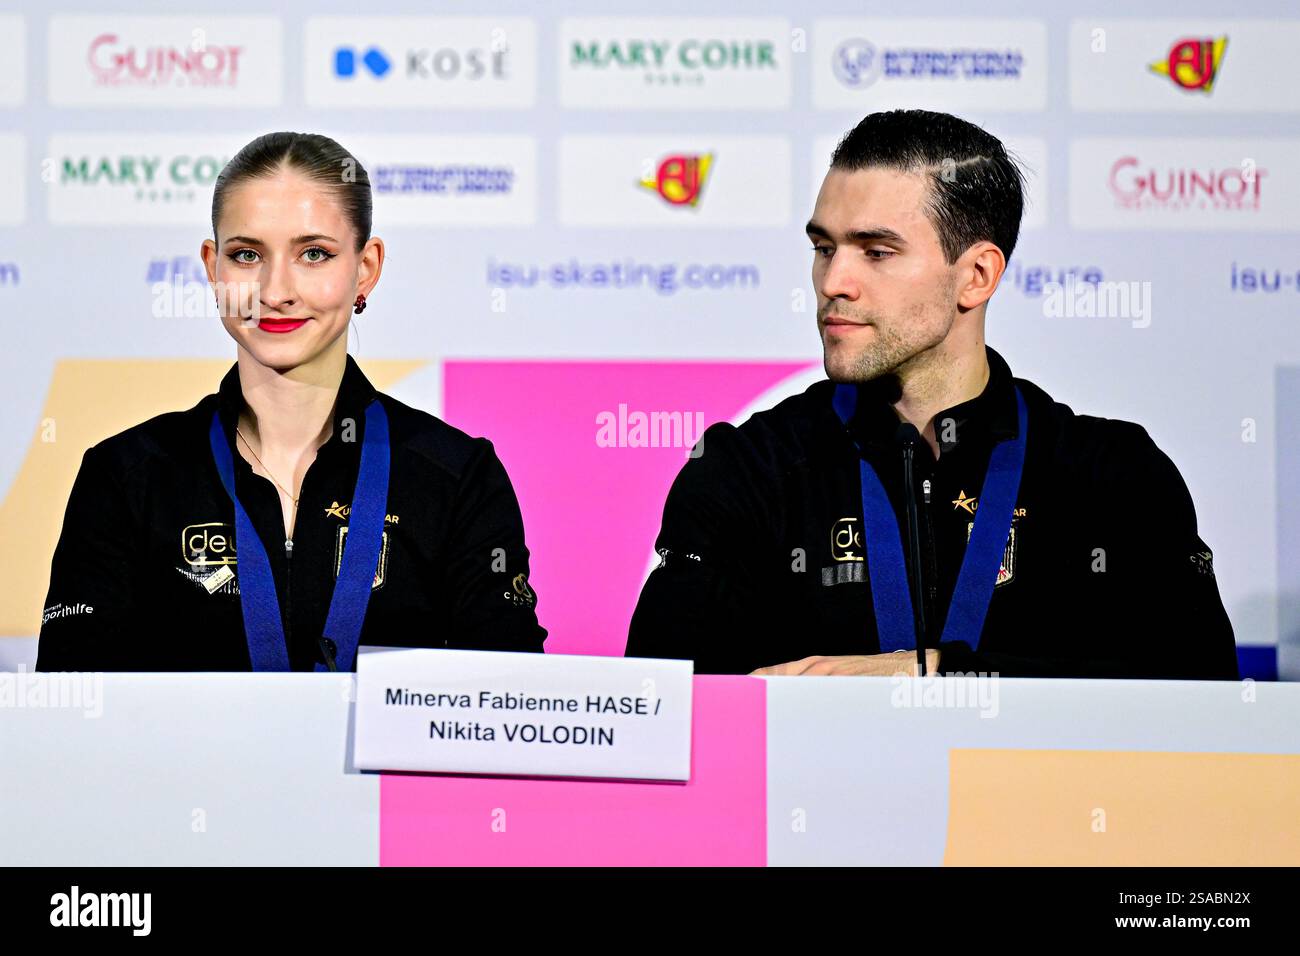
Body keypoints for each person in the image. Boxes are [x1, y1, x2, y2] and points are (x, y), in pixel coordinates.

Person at [627, 109, 1238, 680]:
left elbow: (1202, 711)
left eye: (877, 252)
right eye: (824, 248)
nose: (834, 282)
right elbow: (664, 716)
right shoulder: (744, 470)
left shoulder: (1112, 478)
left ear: (976, 276)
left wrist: (933, 674)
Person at [37, 131, 545, 671]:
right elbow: (73, 725)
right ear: (213, 268)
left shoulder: (456, 479)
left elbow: (505, 713)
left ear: (365, 269)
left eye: (314, 254)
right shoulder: (126, 477)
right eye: (247, 254)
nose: (276, 290)